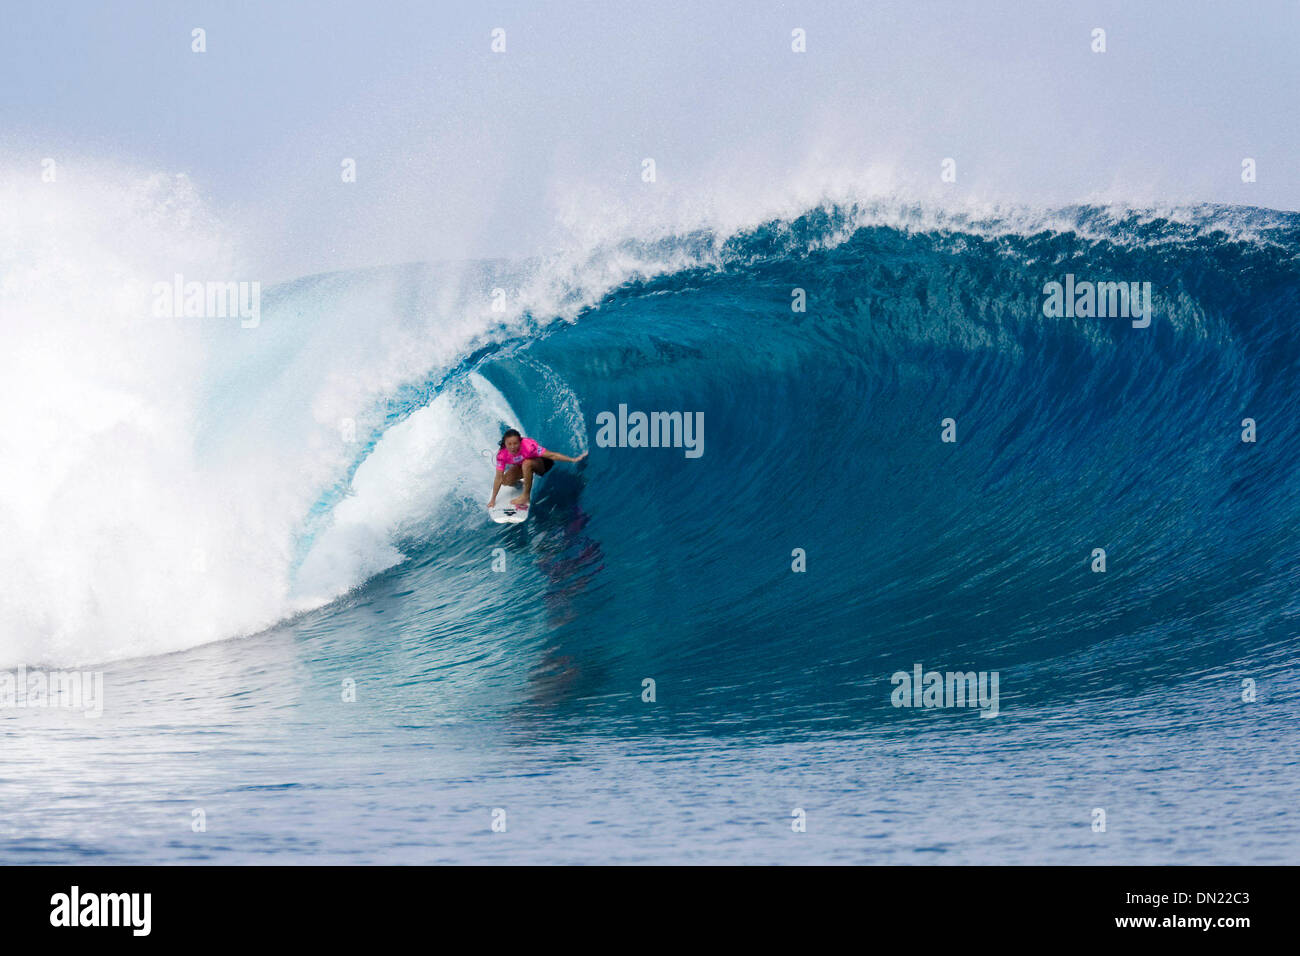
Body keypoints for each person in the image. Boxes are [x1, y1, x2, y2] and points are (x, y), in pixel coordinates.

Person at [488, 428, 587, 510]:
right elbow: (498, 478)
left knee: (527, 463)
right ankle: (520, 483)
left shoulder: (529, 447)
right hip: (522, 466)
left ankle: (525, 497)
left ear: (520, 442)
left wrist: (573, 460)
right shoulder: (502, 455)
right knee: (505, 481)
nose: (513, 447)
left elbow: (552, 455)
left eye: (515, 443)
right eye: (509, 444)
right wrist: (493, 499)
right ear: (505, 444)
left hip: (542, 465)